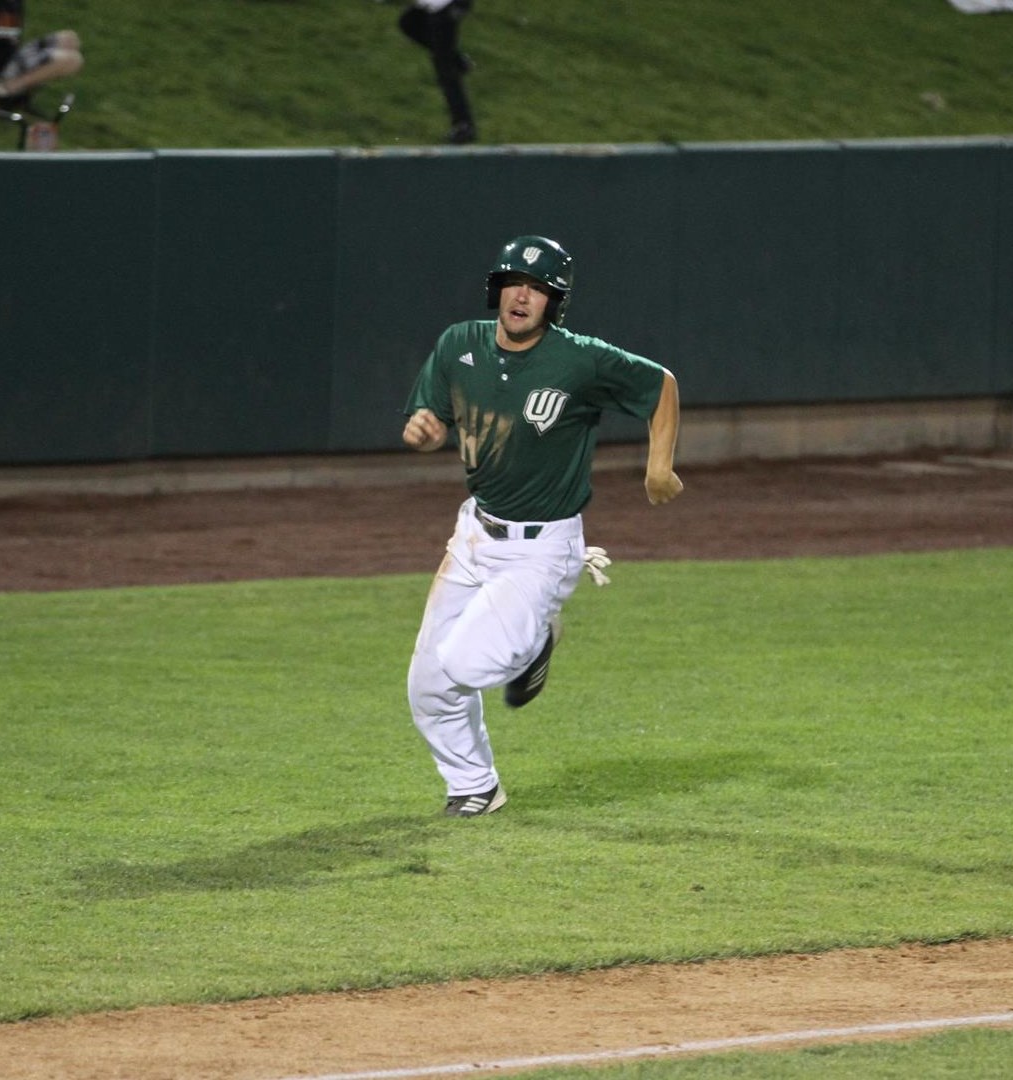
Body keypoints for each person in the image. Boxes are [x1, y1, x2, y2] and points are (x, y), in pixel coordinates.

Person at [400, 235, 684, 817]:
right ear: (496, 290)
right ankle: (475, 786)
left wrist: (659, 466)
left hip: (542, 549)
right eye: (513, 283)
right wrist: (425, 430)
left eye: (537, 288)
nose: (522, 296)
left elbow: (662, 386)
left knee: (464, 663)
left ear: (555, 302)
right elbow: (430, 416)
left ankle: (534, 642)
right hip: (473, 535)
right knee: (428, 685)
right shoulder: (460, 345)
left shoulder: (579, 359)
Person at [0, 0, 84, 112]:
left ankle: (19, 94)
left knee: (70, 39)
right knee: (72, 60)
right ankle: (5, 90)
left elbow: (8, 35)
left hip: (9, 59)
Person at [397, 0, 477, 145]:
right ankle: (458, 61)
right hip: (437, 5)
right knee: (408, 23)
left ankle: (464, 124)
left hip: (448, 6)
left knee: (444, 68)